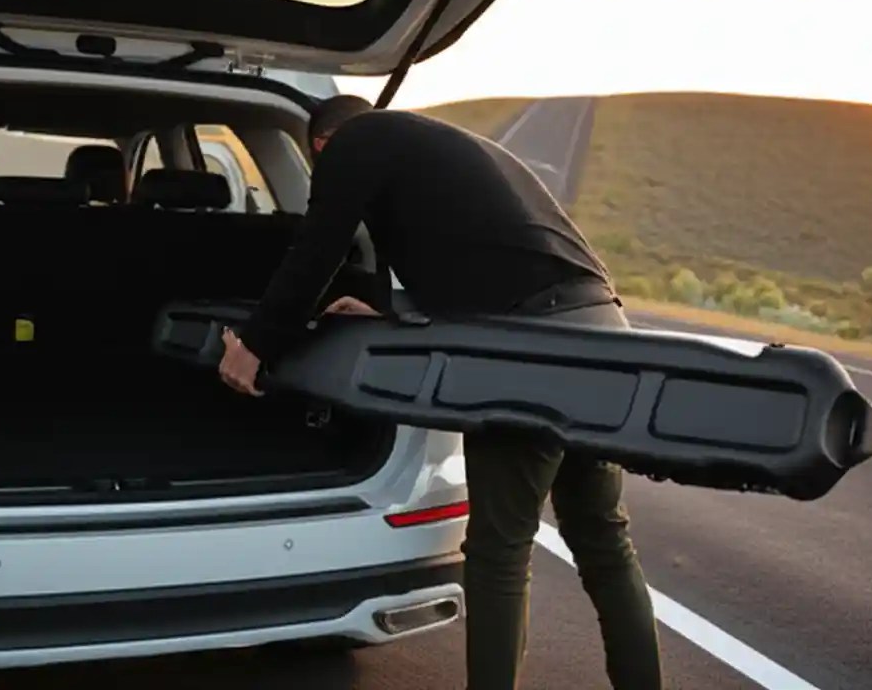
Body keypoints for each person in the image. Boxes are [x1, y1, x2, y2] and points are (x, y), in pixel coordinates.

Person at [217, 94, 662, 690]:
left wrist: (256, 344)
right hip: (603, 328)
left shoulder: (353, 143)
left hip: (532, 346)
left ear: (320, 145)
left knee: (500, 550)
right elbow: (485, 257)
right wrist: (392, 310)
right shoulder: (447, 146)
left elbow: (317, 249)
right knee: (604, 540)